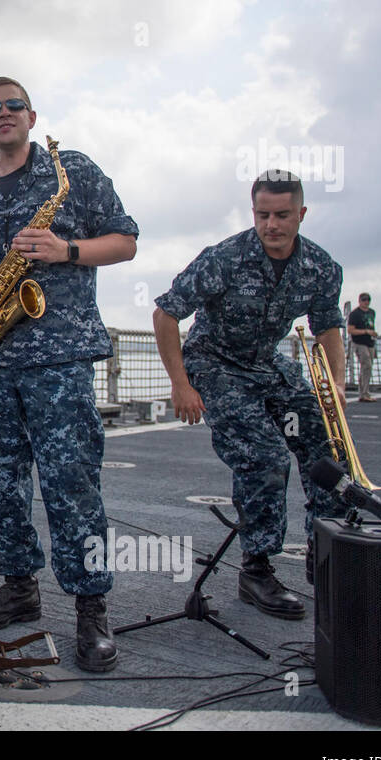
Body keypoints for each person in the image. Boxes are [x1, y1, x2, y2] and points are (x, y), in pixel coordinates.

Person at [0, 77, 137, 673]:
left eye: (13, 106)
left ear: (31, 116)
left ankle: (91, 607)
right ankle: (18, 586)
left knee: (71, 485)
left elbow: (127, 241)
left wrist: (68, 251)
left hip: (58, 360)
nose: (3, 114)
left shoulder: (72, 170)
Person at [152, 170, 353, 614]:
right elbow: (166, 313)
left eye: (282, 215)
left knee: (326, 442)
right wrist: (181, 384)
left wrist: (335, 385)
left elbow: (328, 326)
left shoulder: (321, 266)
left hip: (265, 364)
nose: (271, 225)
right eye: (263, 215)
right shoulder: (224, 258)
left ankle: (327, 558)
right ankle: (257, 569)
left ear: (301, 214)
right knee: (265, 457)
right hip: (214, 362)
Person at [347, 292, 377, 401]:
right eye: (364, 300)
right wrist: (366, 331)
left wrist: (372, 333)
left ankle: (364, 392)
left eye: (368, 300)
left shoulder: (372, 312)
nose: (366, 302)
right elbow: (350, 330)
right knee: (367, 365)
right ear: (359, 301)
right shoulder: (355, 314)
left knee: (367, 368)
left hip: (370, 342)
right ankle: (364, 393)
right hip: (359, 343)